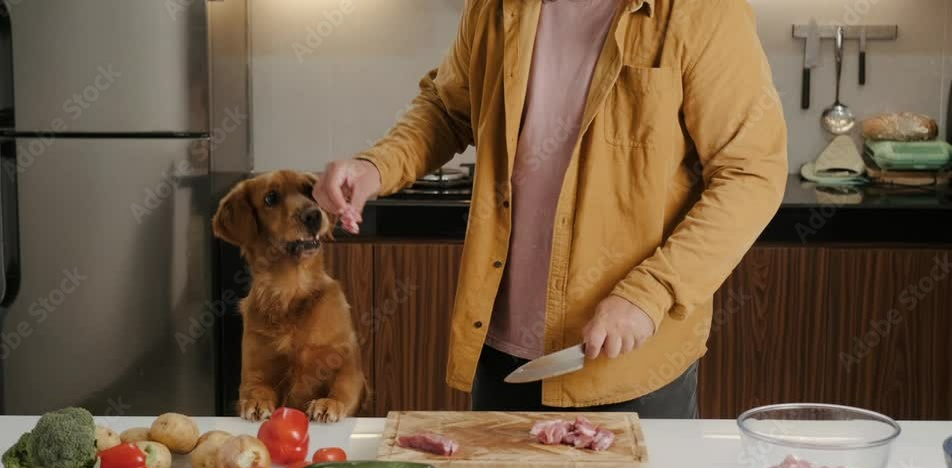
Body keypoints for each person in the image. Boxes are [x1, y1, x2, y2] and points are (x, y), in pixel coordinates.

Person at [314, 0, 787, 418]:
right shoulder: (494, 6)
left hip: (624, 358)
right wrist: (377, 166)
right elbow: (448, 106)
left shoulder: (702, 11)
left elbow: (751, 174)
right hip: (500, 350)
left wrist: (650, 293)